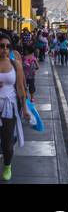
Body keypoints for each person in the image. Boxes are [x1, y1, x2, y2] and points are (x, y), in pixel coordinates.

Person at [0, 33, 32, 182]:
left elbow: (20, 87)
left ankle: (7, 165)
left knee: (7, 142)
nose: (5, 49)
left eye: (8, 46)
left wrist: (25, 108)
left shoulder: (15, 64)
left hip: (8, 108)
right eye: (1, 46)